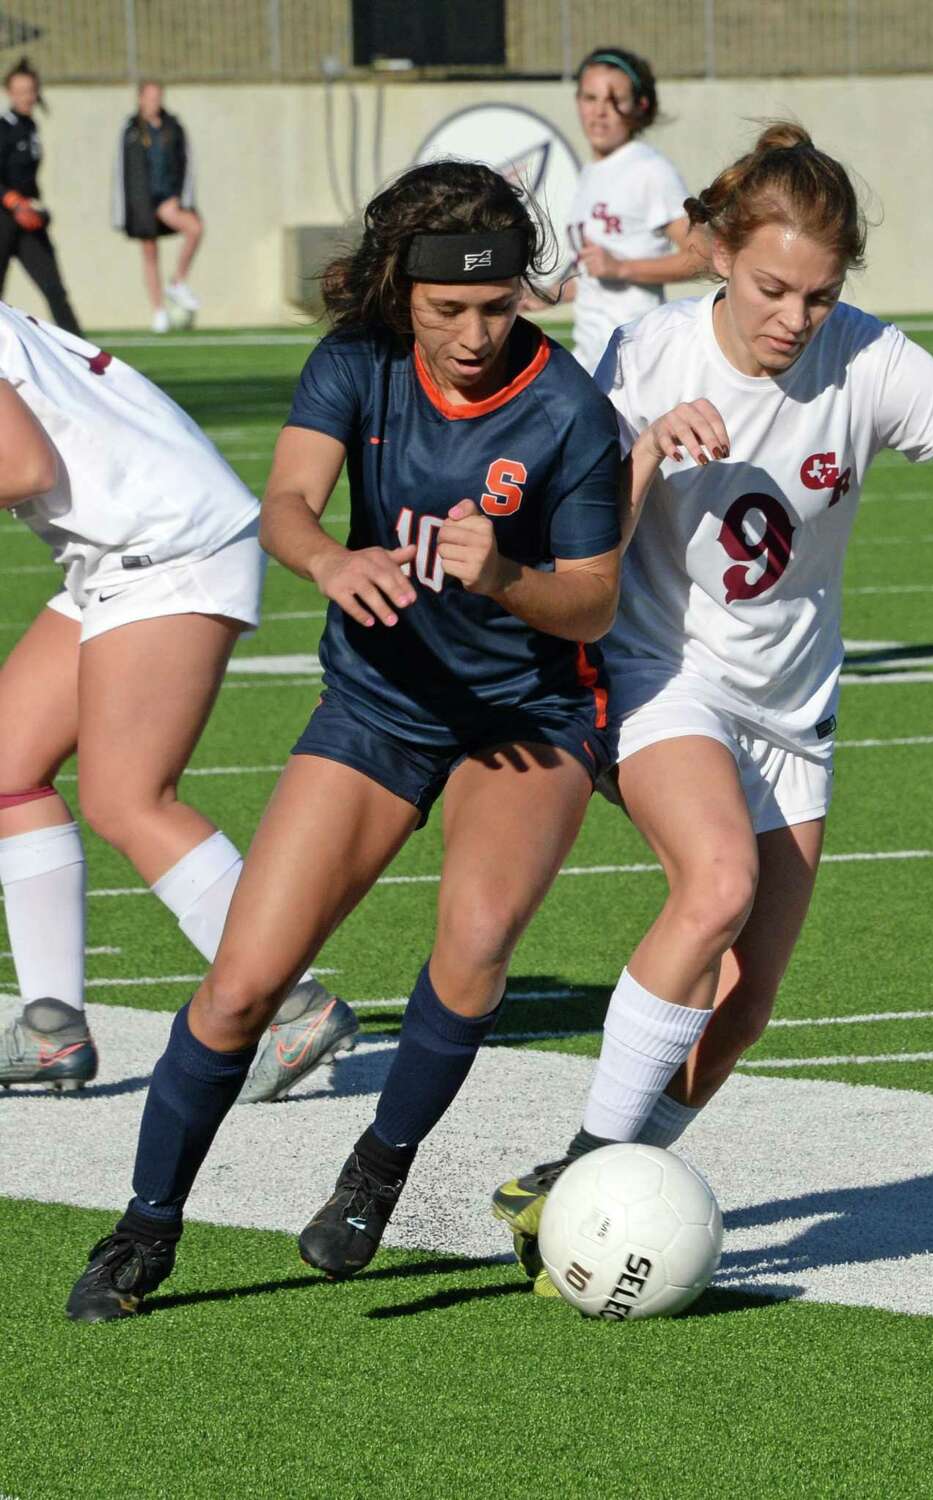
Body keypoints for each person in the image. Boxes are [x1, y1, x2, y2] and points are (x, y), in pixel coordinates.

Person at [491, 122, 933, 1292]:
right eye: (773, 287)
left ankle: (593, 1192)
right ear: (721, 254)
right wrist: (644, 455)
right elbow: (585, 564)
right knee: (715, 887)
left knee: (749, 1003)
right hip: (661, 671)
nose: (794, 317)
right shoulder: (648, 354)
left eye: (819, 296)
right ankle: (583, 1179)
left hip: (794, 711)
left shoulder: (875, 360)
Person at [64, 159, 623, 1323]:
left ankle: (379, 1165)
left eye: (500, 305)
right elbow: (283, 504)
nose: (475, 334)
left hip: (525, 723)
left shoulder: (570, 411)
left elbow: (596, 603)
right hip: (375, 708)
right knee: (242, 989)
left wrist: (510, 576)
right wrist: (329, 558)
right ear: (397, 291)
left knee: (473, 944)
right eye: (446, 311)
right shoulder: (355, 365)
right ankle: (146, 1224)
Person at [0, 304, 357, 1106]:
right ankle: (50, 1026)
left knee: (127, 798)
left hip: (166, 544)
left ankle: (293, 1000)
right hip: (132, 542)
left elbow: (21, 467)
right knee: (8, 766)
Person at [553, 46, 705, 374]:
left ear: (640, 106)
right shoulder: (590, 174)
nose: (600, 112)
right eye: (590, 98)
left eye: (614, 100)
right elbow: (599, 276)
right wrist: (549, 293)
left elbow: (703, 255)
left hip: (635, 360)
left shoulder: (649, 170)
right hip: (591, 356)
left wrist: (623, 268)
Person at [0, 58, 82, 337]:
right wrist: (13, 201)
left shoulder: (31, 126)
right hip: (4, 218)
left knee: (54, 287)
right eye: (20, 90)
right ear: (10, 92)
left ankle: (81, 358)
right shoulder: (3, 128)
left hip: (26, 220)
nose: (27, 96)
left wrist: (36, 208)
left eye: (31, 90)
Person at [113, 80, 203, 334]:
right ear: (140, 98)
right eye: (150, 97)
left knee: (194, 228)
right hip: (141, 202)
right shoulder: (130, 130)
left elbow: (186, 163)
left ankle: (177, 282)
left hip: (167, 198)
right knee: (150, 253)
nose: (154, 102)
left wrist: (181, 198)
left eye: (158, 97)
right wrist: (127, 211)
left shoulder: (172, 127)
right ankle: (159, 311)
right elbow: (122, 173)